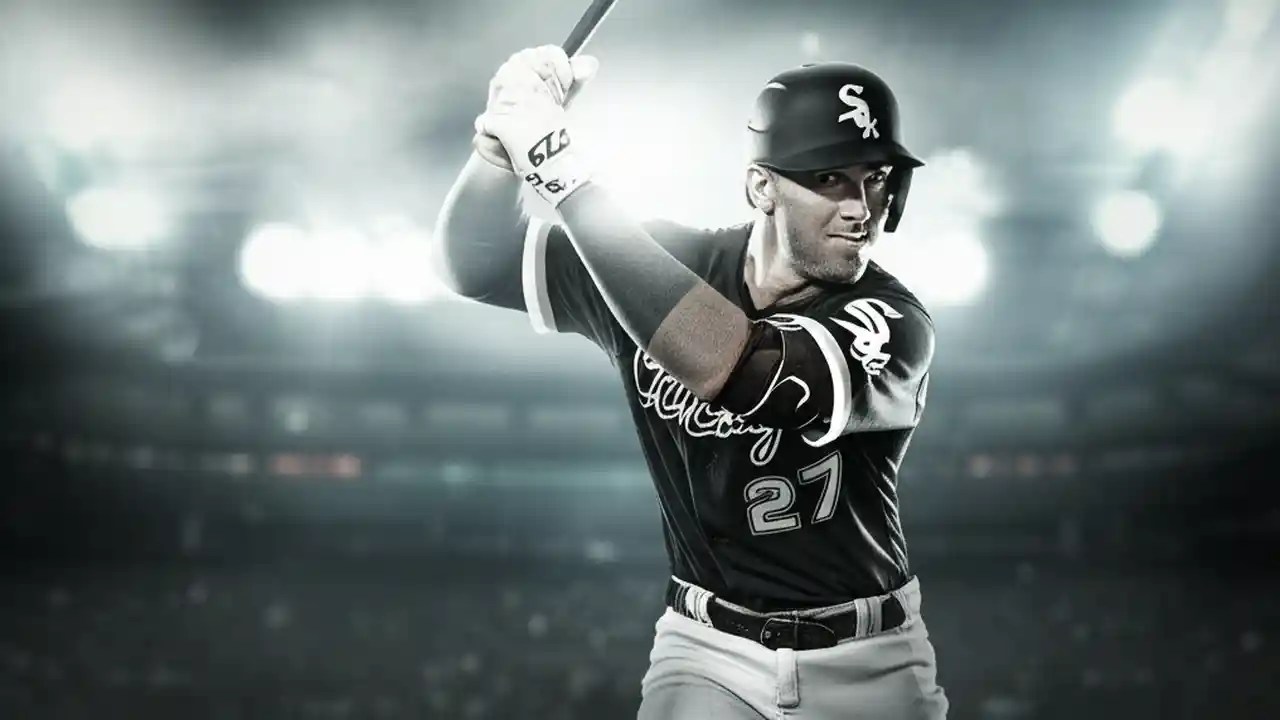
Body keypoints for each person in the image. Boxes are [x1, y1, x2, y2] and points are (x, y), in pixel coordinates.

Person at [434, 45, 948, 719]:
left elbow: (734, 367)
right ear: (762, 186)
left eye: (875, 177)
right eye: (828, 179)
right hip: (707, 648)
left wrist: (561, 170)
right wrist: (500, 145)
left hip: (866, 661)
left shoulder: (891, 322)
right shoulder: (666, 266)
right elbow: (475, 265)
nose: (861, 208)